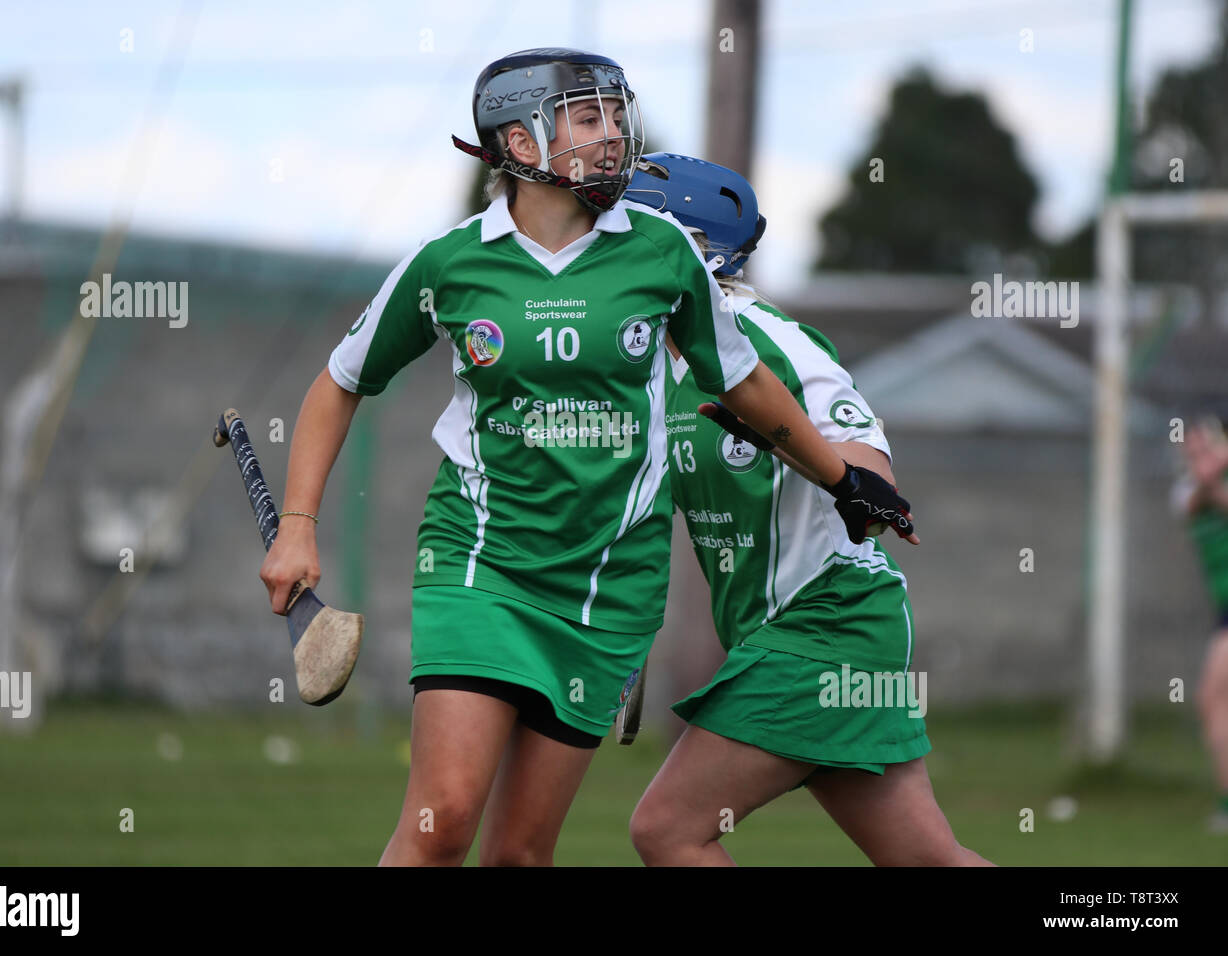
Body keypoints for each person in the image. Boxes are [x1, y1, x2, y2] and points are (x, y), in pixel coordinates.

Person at [259, 53, 916, 867]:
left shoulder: (663, 252)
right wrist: (298, 526)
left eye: (614, 114)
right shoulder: (450, 263)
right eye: (587, 117)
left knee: (520, 855)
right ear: (520, 143)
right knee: (443, 822)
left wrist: (843, 480)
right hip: (481, 568)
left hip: (610, 589)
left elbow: (743, 382)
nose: (612, 135)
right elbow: (339, 382)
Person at [624, 153, 990, 865]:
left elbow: (871, 484)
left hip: (829, 623)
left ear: (692, 250)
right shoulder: (655, 365)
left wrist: (784, 440)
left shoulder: (769, 342)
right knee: (928, 860)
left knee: (666, 829)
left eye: (626, 232)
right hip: (797, 633)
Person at [1172, 416, 1228, 833]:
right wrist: (1210, 475)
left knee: (1211, 696)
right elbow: (1192, 502)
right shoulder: (1185, 490)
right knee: (1212, 701)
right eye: (1189, 452)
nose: (1197, 458)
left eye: (1204, 448)